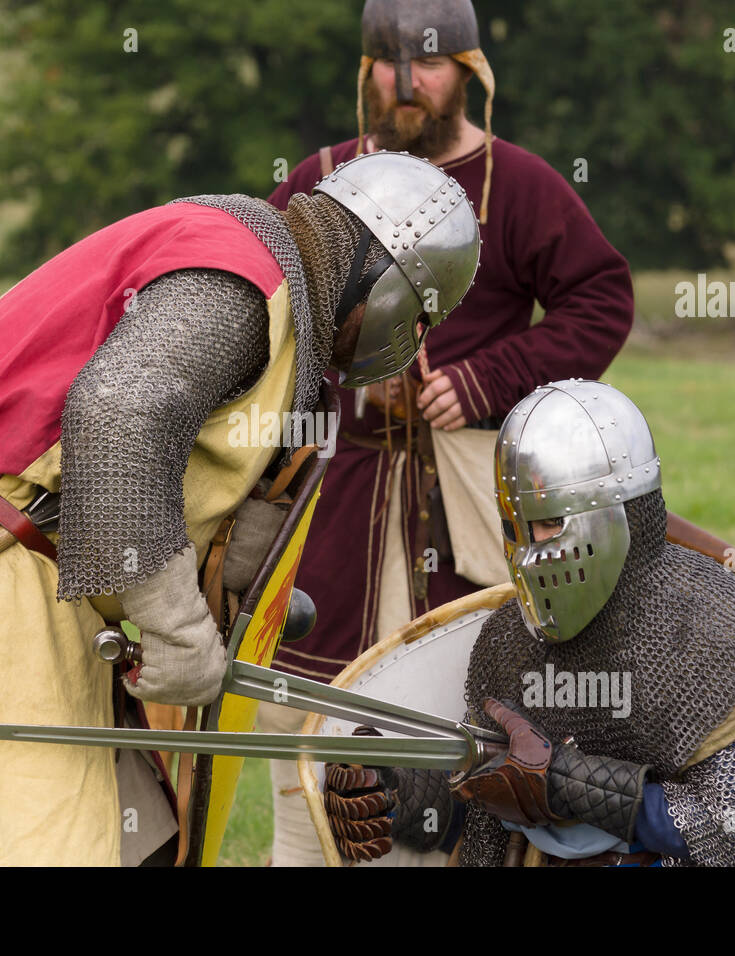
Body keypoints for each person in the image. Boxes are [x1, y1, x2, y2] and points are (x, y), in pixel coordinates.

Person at [0, 151, 481, 865]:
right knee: (47, 841)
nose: (413, 343)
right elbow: (117, 420)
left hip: (24, 552)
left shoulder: (267, 278)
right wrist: (178, 631)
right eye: (418, 316)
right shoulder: (239, 283)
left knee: (140, 837)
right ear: (378, 273)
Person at [260, 0, 634, 865]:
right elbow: (269, 303)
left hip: (467, 495)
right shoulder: (319, 179)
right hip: (336, 492)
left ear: (469, 70)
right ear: (367, 76)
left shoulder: (519, 184)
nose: (406, 84)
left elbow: (601, 297)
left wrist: (484, 381)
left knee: (463, 724)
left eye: (426, 65)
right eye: (388, 67)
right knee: (307, 724)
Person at [324, 379, 735, 867]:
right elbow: (485, 819)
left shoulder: (720, 637)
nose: (530, 552)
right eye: (515, 529)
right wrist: (399, 793)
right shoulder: (508, 640)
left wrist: (567, 783)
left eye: (552, 523)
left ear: (622, 513)